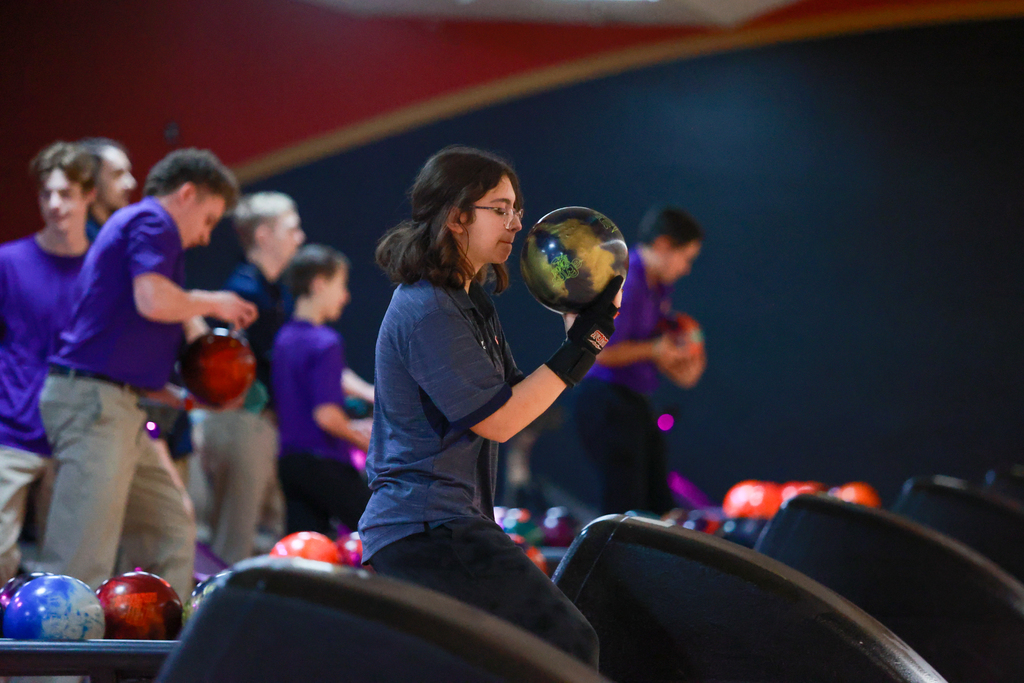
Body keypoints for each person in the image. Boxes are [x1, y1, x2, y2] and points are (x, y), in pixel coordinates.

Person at [358, 145, 622, 667]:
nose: (517, 222)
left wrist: (578, 333)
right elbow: (500, 421)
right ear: (456, 217)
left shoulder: (468, 300)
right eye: (500, 209)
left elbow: (523, 404)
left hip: (443, 525)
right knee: (566, 643)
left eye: (516, 208)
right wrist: (583, 345)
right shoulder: (428, 307)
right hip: (425, 528)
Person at [37, 148, 258, 599]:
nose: (204, 236)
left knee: (173, 533)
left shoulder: (141, 227)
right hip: (96, 407)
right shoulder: (153, 222)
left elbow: (124, 344)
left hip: (117, 406)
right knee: (80, 562)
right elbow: (153, 302)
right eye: (209, 219)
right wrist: (214, 301)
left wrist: (186, 397)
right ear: (187, 194)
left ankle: (160, 662)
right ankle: (50, 672)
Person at [0, 142, 97, 584]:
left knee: (66, 572)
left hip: (73, 434)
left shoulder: (102, 266)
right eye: (47, 194)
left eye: (67, 194)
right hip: (12, 428)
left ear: (88, 196)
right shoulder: (9, 262)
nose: (55, 204)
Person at [192, 192, 305, 563]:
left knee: (265, 530)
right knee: (234, 536)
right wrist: (260, 407)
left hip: (258, 423)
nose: (300, 237)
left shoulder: (272, 292)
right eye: (292, 228)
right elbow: (225, 368)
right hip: (240, 422)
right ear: (263, 236)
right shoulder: (243, 292)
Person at [573, 204, 706, 517]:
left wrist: (687, 347)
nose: (687, 269)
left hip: (632, 400)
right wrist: (655, 350)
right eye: (686, 258)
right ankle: (617, 565)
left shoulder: (658, 286)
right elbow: (599, 350)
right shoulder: (626, 281)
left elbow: (664, 342)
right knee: (627, 508)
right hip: (604, 399)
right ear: (663, 245)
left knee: (658, 501)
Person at [272, 244, 373, 536]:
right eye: (341, 285)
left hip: (290, 464)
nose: (346, 296)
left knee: (306, 553)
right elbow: (327, 417)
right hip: (324, 462)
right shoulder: (326, 342)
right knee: (382, 533)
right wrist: (368, 445)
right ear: (319, 284)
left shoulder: (284, 338)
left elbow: (336, 378)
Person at [79, 138, 136, 242]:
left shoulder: (127, 233)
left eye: (129, 173)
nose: (131, 184)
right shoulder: (77, 243)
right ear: (91, 182)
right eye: (118, 174)